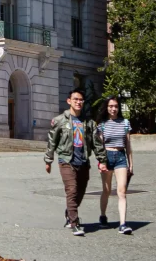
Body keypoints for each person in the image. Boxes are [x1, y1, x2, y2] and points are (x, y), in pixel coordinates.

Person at [45, 88, 108, 236]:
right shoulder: (60, 120)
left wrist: (102, 160)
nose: (78, 102)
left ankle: (69, 212)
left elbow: (96, 143)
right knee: (72, 190)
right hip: (66, 160)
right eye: (75, 99)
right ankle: (75, 223)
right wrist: (48, 160)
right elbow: (52, 141)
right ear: (69, 101)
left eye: (81, 100)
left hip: (83, 161)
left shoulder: (89, 122)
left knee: (80, 192)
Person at [98, 96, 134, 234]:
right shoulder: (102, 124)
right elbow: (100, 146)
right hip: (106, 157)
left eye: (116, 106)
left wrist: (131, 164)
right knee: (106, 190)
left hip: (120, 157)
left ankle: (123, 224)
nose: (113, 109)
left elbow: (128, 145)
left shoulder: (125, 123)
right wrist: (101, 161)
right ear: (107, 107)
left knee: (122, 191)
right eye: (111, 106)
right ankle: (103, 215)